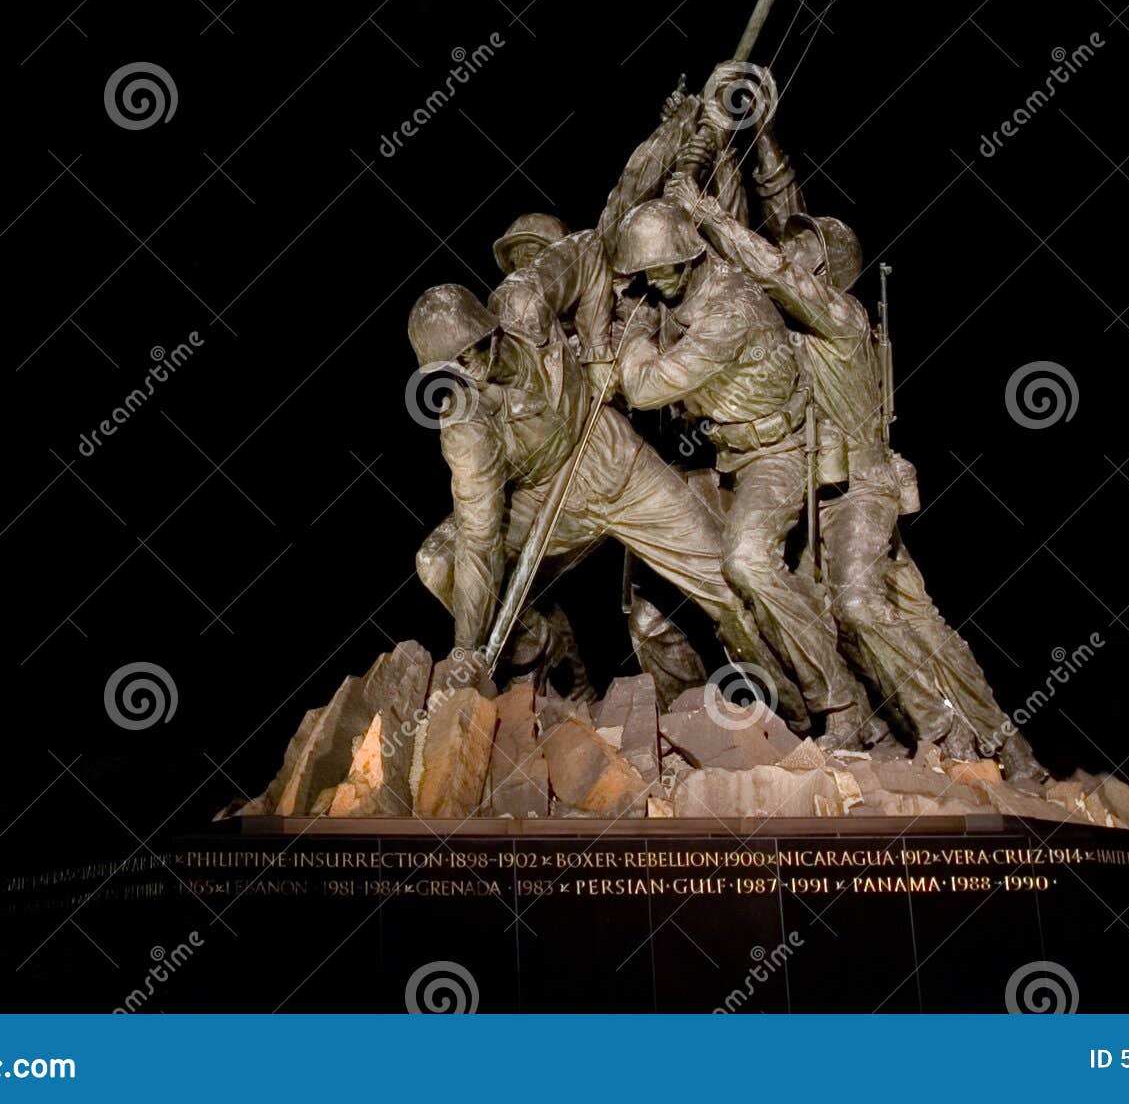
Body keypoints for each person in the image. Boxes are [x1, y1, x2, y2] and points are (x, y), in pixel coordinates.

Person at [666, 73, 1045, 779]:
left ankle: (952, 735)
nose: (791, 251)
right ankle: (1002, 745)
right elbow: (778, 222)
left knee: (862, 605)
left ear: (824, 271)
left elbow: (772, 263)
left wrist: (710, 217)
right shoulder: (798, 316)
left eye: (805, 253)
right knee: (912, 620)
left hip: (858, 490)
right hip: (819, 489)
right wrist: (749, 132)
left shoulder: (839, 318)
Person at [406, 275, 804, 719]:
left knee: (726, 586)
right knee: (439, 561)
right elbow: (480, 536)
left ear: (492, 330)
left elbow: (589, 255)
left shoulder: (524, 303)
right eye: (453, 366)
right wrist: (466, 651)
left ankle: (794, 709)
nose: (468, 368)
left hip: (619, 466)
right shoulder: (465, 425)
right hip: (547, 502)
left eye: (472, 350)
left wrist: (595, 349)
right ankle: (534, 646)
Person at [610, 197, 877, 748]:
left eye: (660, 270)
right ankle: (736, 710)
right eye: (643, 274)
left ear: (690, 259)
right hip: (722, 456)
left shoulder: (731, 308)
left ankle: (844, 705)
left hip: (775, 454)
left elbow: (645, 387)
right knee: (662, 575)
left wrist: (629, 336)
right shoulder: (683, 293)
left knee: (749, 560)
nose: (652, 283)